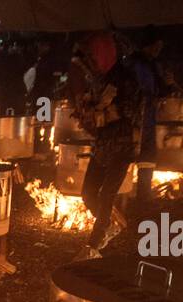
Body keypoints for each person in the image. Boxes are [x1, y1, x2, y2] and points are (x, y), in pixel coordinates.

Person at [73, 32, 140, 258]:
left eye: (93, 57)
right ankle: (110, 226)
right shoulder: (97, 79)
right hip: (102, 146)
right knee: (88, 192)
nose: (91, 63)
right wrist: (87, 114)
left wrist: (104, 111)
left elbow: (131, 112)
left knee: (106, 194)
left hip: (121, 146)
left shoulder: (126, 79)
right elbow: (92, 112)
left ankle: (93, 244)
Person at [129, 27, 170, 202]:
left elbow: (158, 89)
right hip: (138, 114)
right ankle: (135, 191)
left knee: (146, 152)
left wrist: (166, 85)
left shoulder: (151, 64)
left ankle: (142, 191)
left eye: (160, 47)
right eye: (156, 46)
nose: (157, 50)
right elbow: (143, 89)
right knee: (137, 151)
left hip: (148, 114)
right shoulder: (137, 64)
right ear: (148, 45)